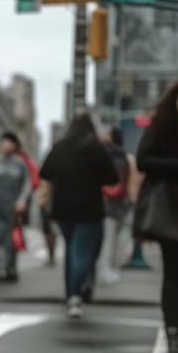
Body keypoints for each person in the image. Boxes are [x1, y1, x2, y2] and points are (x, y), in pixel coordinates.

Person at [39, 113, 119, 319]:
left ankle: (70, 294)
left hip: (63, 208)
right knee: (82, 253)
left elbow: (45, 172)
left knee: (71, 251)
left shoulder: (60, 147)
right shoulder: (96, 149)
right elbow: (112, 178)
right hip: (90, 209)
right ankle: (76, 295)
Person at [135, 80, 178, 353]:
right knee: (176, 275)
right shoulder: (160, 127)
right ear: (174, 101)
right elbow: (143, 161)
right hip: (173, 214)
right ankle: (174, 333)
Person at [0, 131, 30, 282]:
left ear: (15, 146)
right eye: (3, 142)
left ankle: (11, 268)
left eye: (9, 143)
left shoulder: (20, 163)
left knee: (12, 240)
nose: (5, 145)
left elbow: (27, 185)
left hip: (13, 209)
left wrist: (22, 200)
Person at [98, 127, 134, 284]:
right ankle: (112, 268)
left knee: (107, 241)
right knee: (118, 240)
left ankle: (105, 270)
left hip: (107, 203)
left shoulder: (104, 155)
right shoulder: (126, 157)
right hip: (122, 204)